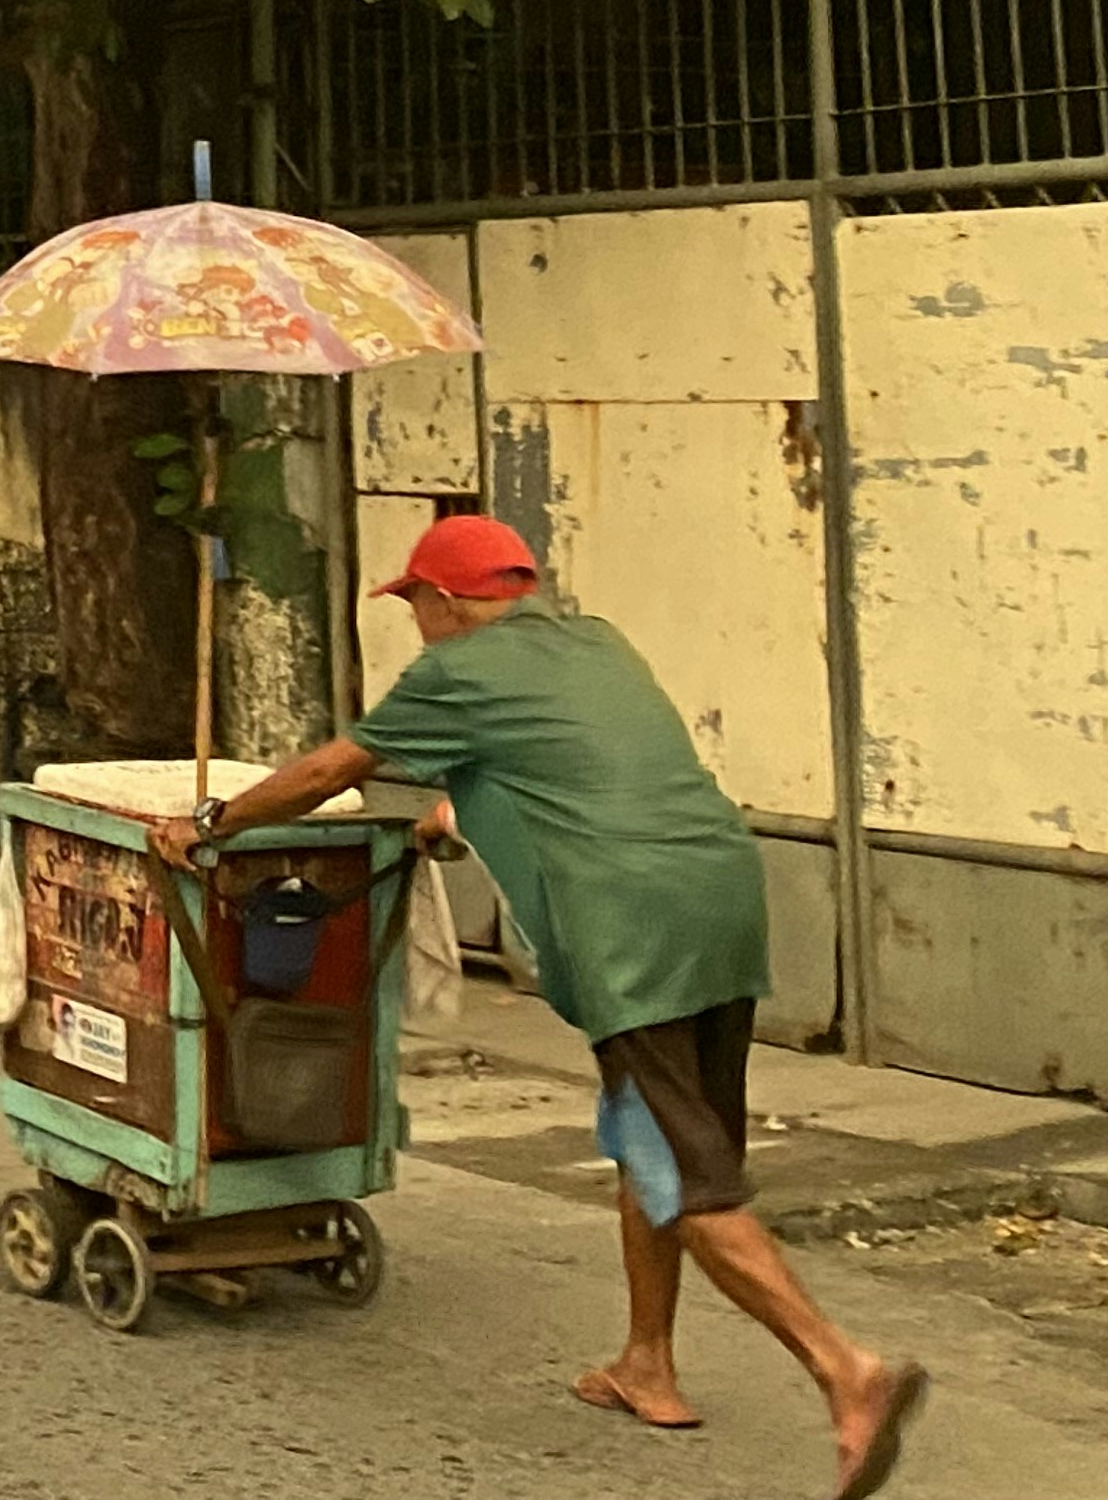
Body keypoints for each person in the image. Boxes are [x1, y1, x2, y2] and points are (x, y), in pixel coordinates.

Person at [157, 513, 926, 1500]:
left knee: (684, 1172)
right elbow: (570, 766)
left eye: (417, 608)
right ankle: (648, 1362)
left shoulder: (455, 673)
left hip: (629, 930)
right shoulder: (596, 641)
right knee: (649, 1130)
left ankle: (845, 1373)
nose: (419, 628)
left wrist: (212, 823)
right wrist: (459, 811)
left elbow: (326, 774)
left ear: (442, 601)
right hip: (718, 900)